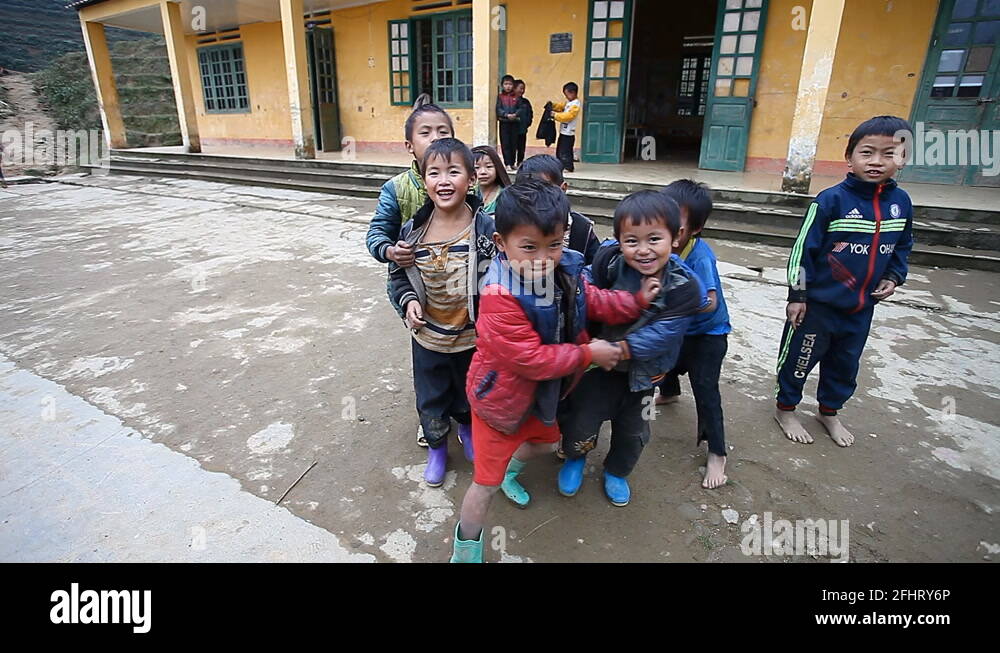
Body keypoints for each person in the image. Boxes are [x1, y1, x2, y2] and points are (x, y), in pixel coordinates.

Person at [450, 180, 661, 562]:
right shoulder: (499, 296)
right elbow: (531, 359)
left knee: (548, 444)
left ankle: (511, 468)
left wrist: (634, 302)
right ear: (501, 243)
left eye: (555, 245)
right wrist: (587, 354)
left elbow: (591, 299)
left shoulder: (564, 270)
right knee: (485, 485)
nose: (543, 258)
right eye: (528, 247)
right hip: (501, 404)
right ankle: (465, 551)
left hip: (544, 397)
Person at [557, 190, 707, 506]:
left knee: (635, 430)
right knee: (581, 419)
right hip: (597, 368)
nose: (643, 251)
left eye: (654, 239)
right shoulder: (608, 261)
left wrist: (621, 349)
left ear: (676, 236)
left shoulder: (684, 286)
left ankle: (617, 471)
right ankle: (576, 458)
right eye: (631, 241)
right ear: (617, 240)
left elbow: (665, 333)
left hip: (646, 377)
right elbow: (586, 291)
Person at [774, 115, 914, 448]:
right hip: (817, 306)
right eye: (867, 152)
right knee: (799, 358)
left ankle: (829, 411)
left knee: (845, 364)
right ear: (849, 157)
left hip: (861, 306)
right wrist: (798, 295)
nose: (877, 161)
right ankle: (785, 409)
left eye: (889, 153)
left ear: (903, 158)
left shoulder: (901, 204)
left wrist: (894, 277)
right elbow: (802, 252)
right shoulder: (830, 201)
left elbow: (903, 246)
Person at [388, 138, 497, 486]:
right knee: (431, 396)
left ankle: (466, 428)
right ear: (424, 181)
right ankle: (437, 447)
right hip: (428, 337)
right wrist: (408, 302)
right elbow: (397, 278)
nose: (444, 180)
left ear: (472, 179)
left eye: (454, 171)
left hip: (472, 338)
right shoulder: (412, 232)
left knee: (469, 390)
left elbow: (503, 276)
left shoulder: (485, 230)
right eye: (434, 173)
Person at [366, 95, 455, 448]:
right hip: (416, 288)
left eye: (443, 131)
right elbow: (376, 234)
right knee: (429, 356)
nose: (434, 138)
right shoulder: (397, 189)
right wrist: (390, 251)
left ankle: (463, 415)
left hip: (462, 289)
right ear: (409, 145)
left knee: (465, 354)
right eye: (425, 132)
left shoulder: (468, 182)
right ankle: (433, 420)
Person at [654, 180, 732, 489]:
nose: (668, 230)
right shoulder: (658, 245)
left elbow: (709, 303)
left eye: (678, 226)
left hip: (708, 334)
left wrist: (669, 304)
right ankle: (670, 393)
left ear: (695, 229)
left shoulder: (700, 256)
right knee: (665, 363)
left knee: (706, 390)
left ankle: (717, 452)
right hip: (680, 329)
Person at [515, 154, 600, 263]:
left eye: (544, 190)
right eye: (527, 191)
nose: (536, 197)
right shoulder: (514, 226)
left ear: (563, 189)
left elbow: (595, 268)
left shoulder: (581, 228)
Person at [549, 82, 581, 173]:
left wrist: (555, 115)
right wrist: (553, 106)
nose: (566, 97)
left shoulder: (575, 105)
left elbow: (568, 116)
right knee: (560, 149)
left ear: (573, 93)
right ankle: (562, 165)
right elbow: (561, 107)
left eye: (567, 95)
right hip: (563, 132)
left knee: (565, 151)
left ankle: (568, 166)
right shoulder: (569, 103)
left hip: (569, 133)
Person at [471, 145, 510, 216]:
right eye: (476, 167)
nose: (483, 172)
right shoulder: (469, 193)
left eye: (489, 166)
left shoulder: (506, 197)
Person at [496, 74, 519, 170]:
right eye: (506, 84)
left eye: (510, 84)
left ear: (513, 85)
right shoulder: (500, 97)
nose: (508, 86)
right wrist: (506, 115)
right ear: (502, 85)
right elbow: (498, 109)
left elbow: (520, 108)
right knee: (505, 143)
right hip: (504, 122)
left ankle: (513, 163)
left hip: (514, 122)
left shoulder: (517, 97)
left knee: (514, 143)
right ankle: (507, 163)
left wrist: (516, 114)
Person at [512, 79, 533, 169]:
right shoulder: (510, 101)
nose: (522, 90)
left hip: (522, 128)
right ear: (514, 88)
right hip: (512, 129)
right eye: (520, 88)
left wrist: (527, 123)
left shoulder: (525, 102)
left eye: (523, 88)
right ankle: (511, 163)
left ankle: (520, 162)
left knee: (521, 147)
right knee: (512, 146)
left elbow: (530, 114)